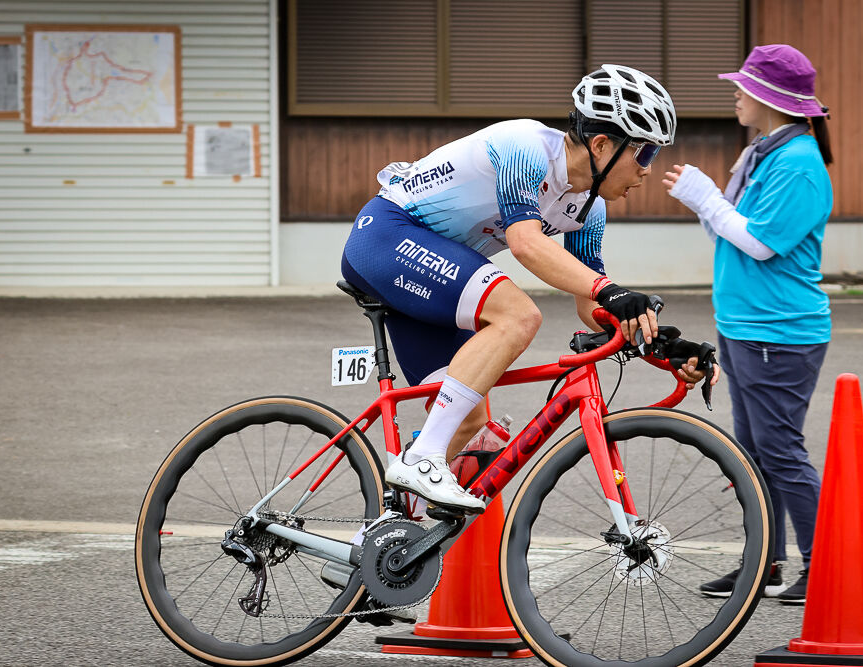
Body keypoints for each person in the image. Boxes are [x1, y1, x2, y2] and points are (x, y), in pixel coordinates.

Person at [341, 64, 712, 515]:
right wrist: (609, 289)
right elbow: (526, 243)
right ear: (601, 145)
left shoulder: (586, 208)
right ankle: (421, 459)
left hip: (432, 273)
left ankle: (377, 548)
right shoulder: (525, 146)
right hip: (386, 236)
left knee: (468, 424)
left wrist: (662, 346)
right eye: (645, 153)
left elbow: (592, 305)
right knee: (519, 315)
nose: (648, 170)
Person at [662, 44, 834, 605]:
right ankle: (765, 562)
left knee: (778, 451)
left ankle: (823, 567)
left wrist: (707, 199)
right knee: (755, 452)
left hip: (776, 331)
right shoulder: (766, 153)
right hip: (747, 326)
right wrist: (708, 203)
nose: (734, 93)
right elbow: (731, 232)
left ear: (769, 98)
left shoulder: (798, 164)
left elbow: (759, 244)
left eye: (742, 86)